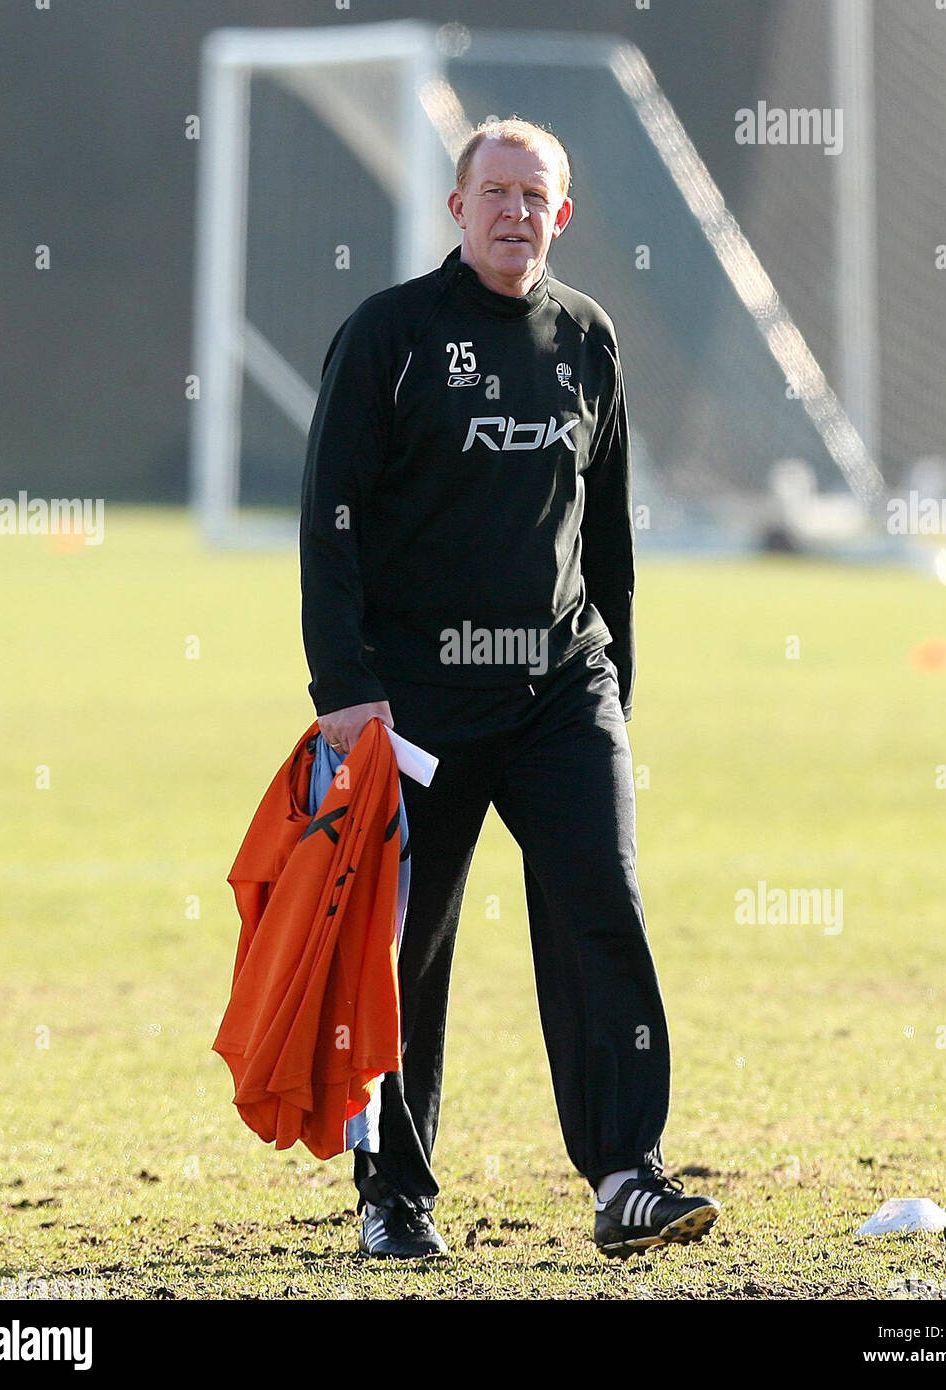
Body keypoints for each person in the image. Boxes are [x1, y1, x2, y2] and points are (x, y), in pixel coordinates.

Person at [299, 116, 719, 1260]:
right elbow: (329, 521)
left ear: (562, 215)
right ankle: (394, 1195)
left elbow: (611, 537)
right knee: (405, 951)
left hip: (559, 687)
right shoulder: (388, 336)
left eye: (537, 196)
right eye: (496, 191)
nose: (515, 212)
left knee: (602, 909)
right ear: (456, 206)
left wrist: (613, 686)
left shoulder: (587, 338)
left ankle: (627, 1170)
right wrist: (343, 683)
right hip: (418, 700)